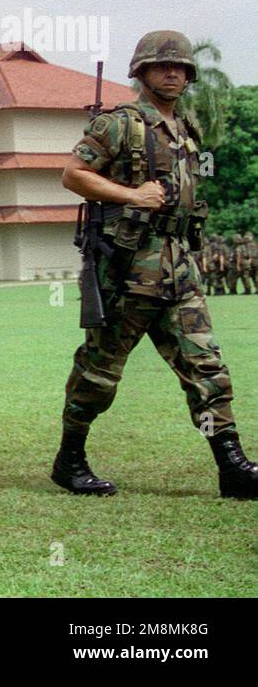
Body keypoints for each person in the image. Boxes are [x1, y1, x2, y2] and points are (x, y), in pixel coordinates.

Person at [52, 30, 257, 498]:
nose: (174, 73)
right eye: (163, 66)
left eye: (182, 67)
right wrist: (132, 194)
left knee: (206, 369)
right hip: (128, 271)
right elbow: (73, 175)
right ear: (141, 73)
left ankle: (232, 466)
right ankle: (69, 459)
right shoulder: (119, 124)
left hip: (179, 268)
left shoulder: (187, 130)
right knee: (100, 373)